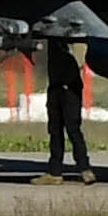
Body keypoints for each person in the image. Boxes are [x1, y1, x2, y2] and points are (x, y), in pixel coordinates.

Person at [40, 38, 91, 182]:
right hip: (60, 85)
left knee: (67, 129)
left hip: (67, 85)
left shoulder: (76, 37)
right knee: (60, 130)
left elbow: (79, 61)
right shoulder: (57, 37)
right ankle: (77, 169)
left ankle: (77, 169)